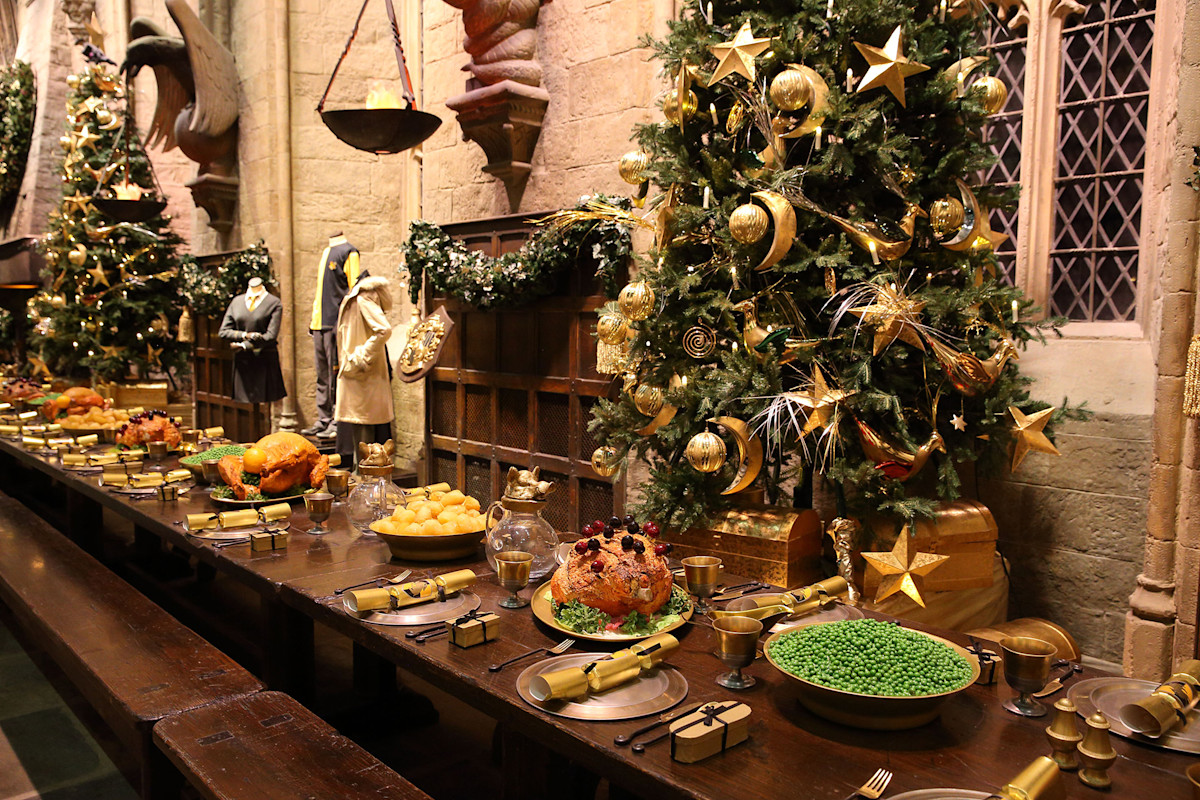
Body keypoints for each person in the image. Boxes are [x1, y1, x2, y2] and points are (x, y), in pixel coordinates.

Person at [303, 232, 360, 439]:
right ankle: (323, 418)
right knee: (322, 375)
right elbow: (321, 293)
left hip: (335, 323)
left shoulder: (349, 252)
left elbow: (354, 290)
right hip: (320, 323)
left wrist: (344, 323)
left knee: (335, 375)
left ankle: (337, 421)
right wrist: (314, 320)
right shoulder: (327, 251)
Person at [333, 275, 394, 467]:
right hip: (359, 373)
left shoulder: (363, 298)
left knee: (364, 426)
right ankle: (361, 474)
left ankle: (364, 476)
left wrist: (361, 356)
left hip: (362, 373)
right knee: (360, 426)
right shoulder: (359, 297)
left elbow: (384, 329)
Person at [218, 277, 286, 404]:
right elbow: (223, 331)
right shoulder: (237, 302)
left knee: (263, 397)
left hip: (264, 359)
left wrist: (244, 345)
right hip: (242, 361)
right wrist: (244, 335)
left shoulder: (274, 303)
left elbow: (271, 335)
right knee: (246, 400)